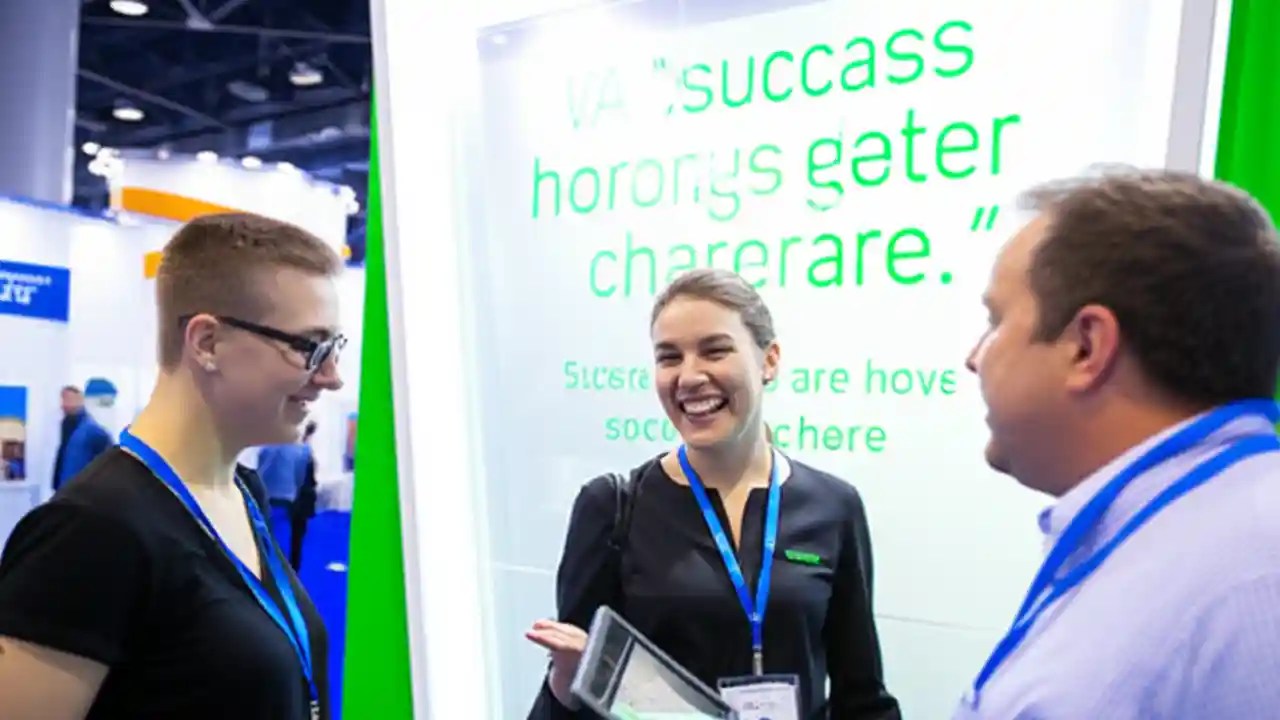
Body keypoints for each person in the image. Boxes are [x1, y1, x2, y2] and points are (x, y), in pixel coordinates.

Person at [956, 168, 1280, 718]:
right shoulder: (1184, 530)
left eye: (996, 319)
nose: (974, 356)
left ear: (1087, 346)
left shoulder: (1257, 582)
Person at [0, 212, 347, 720]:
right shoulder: (93, 530)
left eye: (334, 348)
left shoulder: (242, 492)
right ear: (207, 343)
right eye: (310, 348)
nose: (332, 377)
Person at [526, 268, 900, 719]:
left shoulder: (833, 507)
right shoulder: (614, 507)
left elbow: (861, 697)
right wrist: (567, 682)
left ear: (769, 360)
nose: (689, 376)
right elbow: (571, 699)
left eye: (714, 350)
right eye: (669, 357)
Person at [258, 420, 319, 571]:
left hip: (266, 496)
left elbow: (259, 471)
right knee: (289, 540)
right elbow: (301, 477)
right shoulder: (302, 451)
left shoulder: (265, 448)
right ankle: (289, 572)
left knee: (266, 535)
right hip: (288, 498)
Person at [51, 386, 112, 491]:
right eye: (63, 400)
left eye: (69, 400)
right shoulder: (67, 426)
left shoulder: (93, 431)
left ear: (80, 400)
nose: (64, 405)